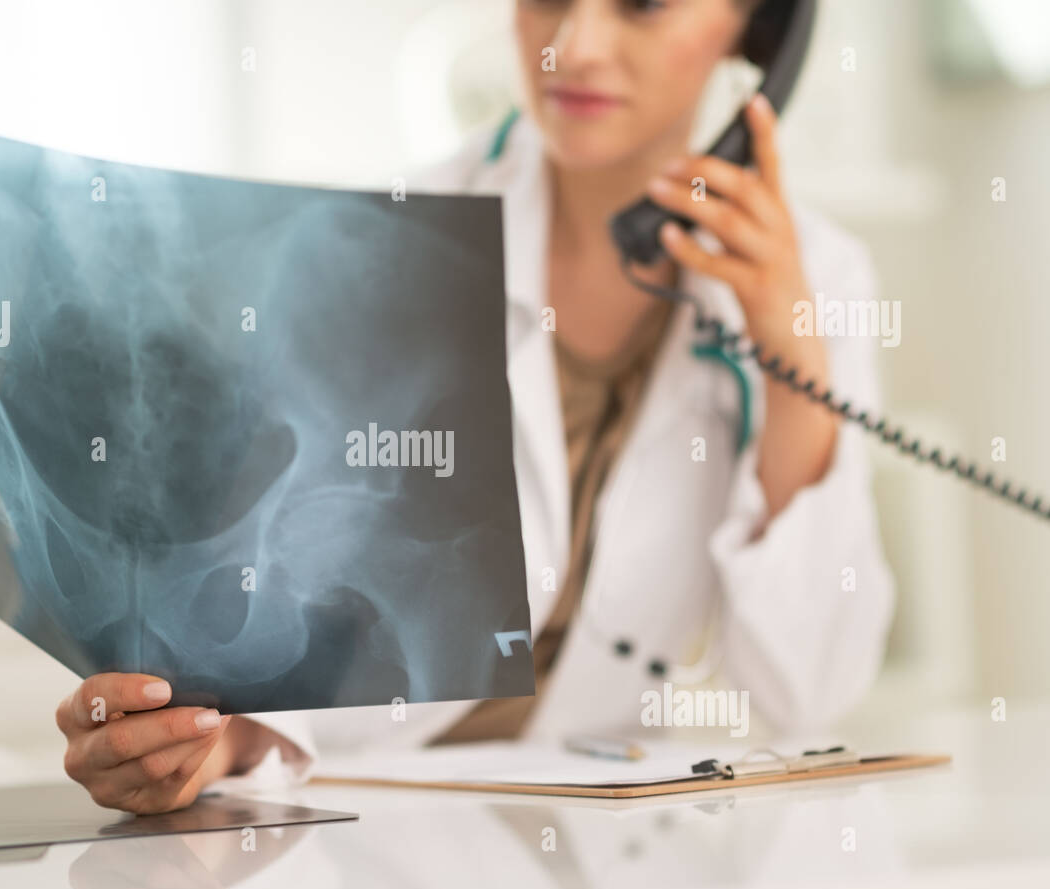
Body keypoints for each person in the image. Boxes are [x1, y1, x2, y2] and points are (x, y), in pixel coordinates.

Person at [56, 0, 894, 813]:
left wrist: (792, 360)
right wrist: (214, 742)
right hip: (376, 836)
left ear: (764, 30)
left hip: (619, 838)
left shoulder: (814, 278)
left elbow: (807, 690)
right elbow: (297, 631)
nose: (577, 44)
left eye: (642, 4)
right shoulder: (379, 244)